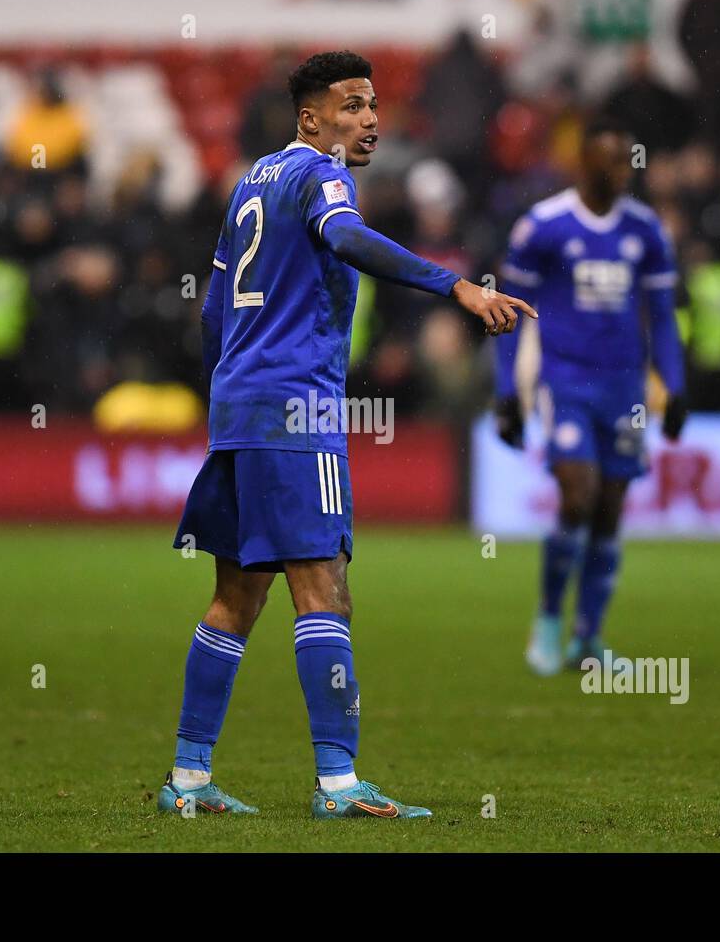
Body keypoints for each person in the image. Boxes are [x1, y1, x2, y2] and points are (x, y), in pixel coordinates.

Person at [158, 51, 534, 819]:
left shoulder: (251, 181)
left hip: (241, 407)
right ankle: (336, 784)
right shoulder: (323, 176)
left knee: (236, 595)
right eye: (353, 105)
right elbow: (348, 237)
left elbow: (211, 310)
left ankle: (188, 781)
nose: (368, 120)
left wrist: (227, 392)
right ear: (311, 119)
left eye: (372, 106)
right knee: (324, 589)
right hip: (300, 408)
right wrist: (455, 284)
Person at [494, 116, 686, 676]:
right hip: (566, 379)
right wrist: (508, 392)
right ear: (584, 163)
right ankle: (550, 619)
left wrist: (674, 388)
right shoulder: (543, 227)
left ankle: (589, 637)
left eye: (628, 161)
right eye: (611, 161)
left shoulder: (646, 230)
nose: (622, 172)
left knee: (609, 512)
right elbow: (506, 311)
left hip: (625, 384)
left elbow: (664, 318)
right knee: (577, 495)